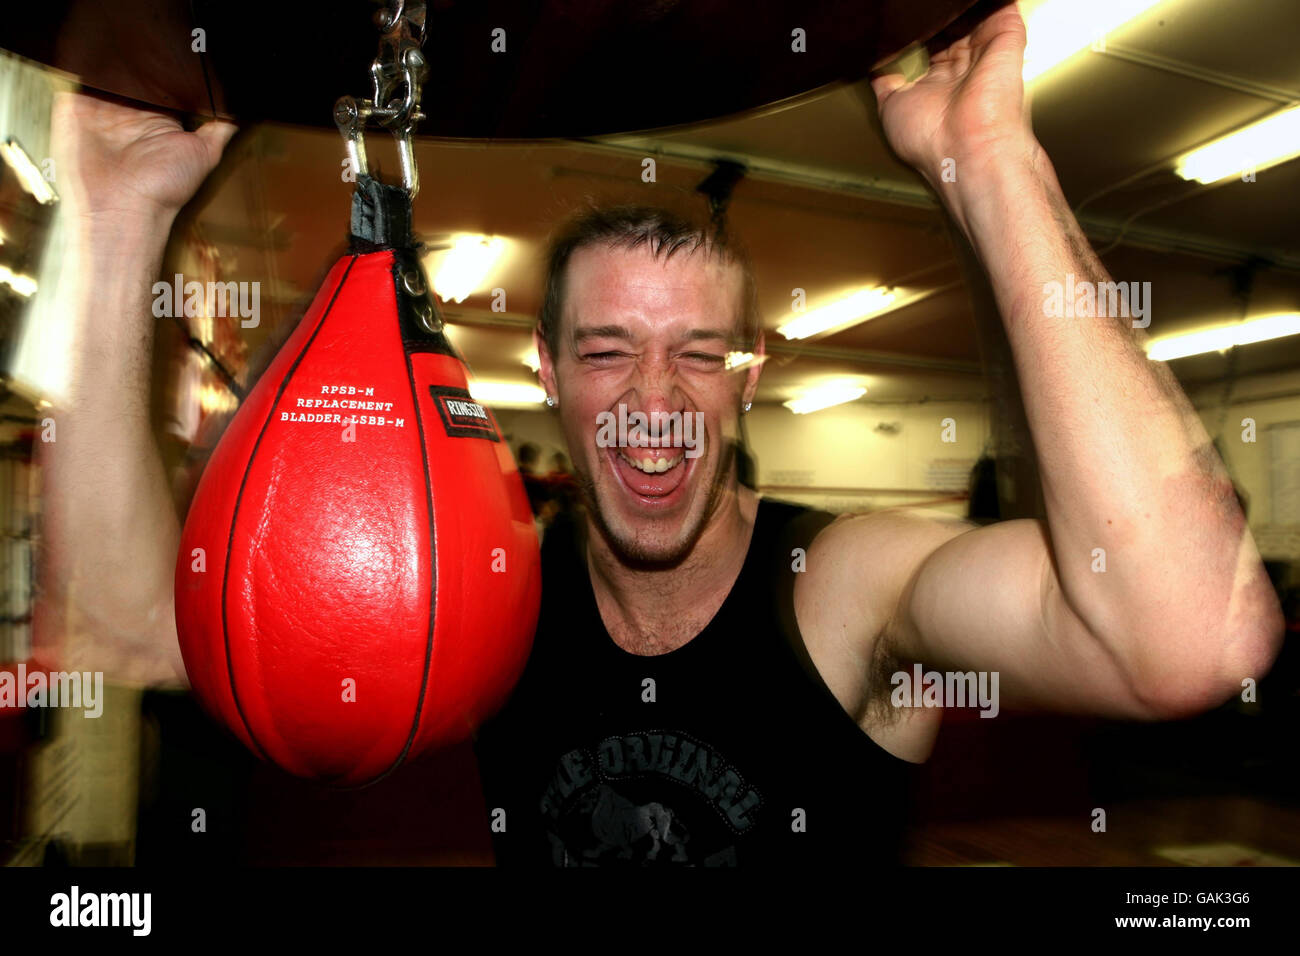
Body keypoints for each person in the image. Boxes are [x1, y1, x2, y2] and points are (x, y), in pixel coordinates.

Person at [43, 5, 1282, 865]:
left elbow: (1194, 639)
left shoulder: (842, 591)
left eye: (700, 351)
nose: (653, 393)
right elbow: (135, 626)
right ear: (542, 376)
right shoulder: (500, 598)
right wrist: (112, 215)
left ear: (751, 376)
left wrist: (990, 161)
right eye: (604, 350)